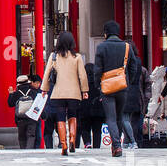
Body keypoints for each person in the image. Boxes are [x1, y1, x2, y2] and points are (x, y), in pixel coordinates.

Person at [94, 20, 142, 156]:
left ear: (106, 33)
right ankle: (118, 143)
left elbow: (98, 69)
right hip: (122, 86)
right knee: (120, 116)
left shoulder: (101, 47)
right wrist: (127, 80)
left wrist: (98, 84)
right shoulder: (126, 46)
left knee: (110, 117)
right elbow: (133, 66)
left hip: (107, 86)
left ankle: (116, 146)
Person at [41, 31, 90, 156]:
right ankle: (72, 138)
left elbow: (47, 74)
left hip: (58, 93)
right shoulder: (77, 57)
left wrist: (44, 89)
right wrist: (84, 91)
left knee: (60, 118)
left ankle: (63, 144)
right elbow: (82, 76)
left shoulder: (53, 56)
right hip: (74, 93)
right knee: (73, 115)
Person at [8, 74, 43, 149]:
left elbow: (10, 104)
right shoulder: (33, 92)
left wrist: (11, 94)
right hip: (32, 118)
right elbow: (38, 105)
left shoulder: (16, 94)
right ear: (28, 82)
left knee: (22, 136)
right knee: (31, 135)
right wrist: (43, 116)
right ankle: (29, 150)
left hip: (20, 118)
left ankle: (23, 150)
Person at [81, 60, 104, 149]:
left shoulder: (82, 82)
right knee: (97, 130)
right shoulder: (99, 81)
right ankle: (96, 146)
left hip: (85, 108)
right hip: (98, 109)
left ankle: (87, 143)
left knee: (85, 128)